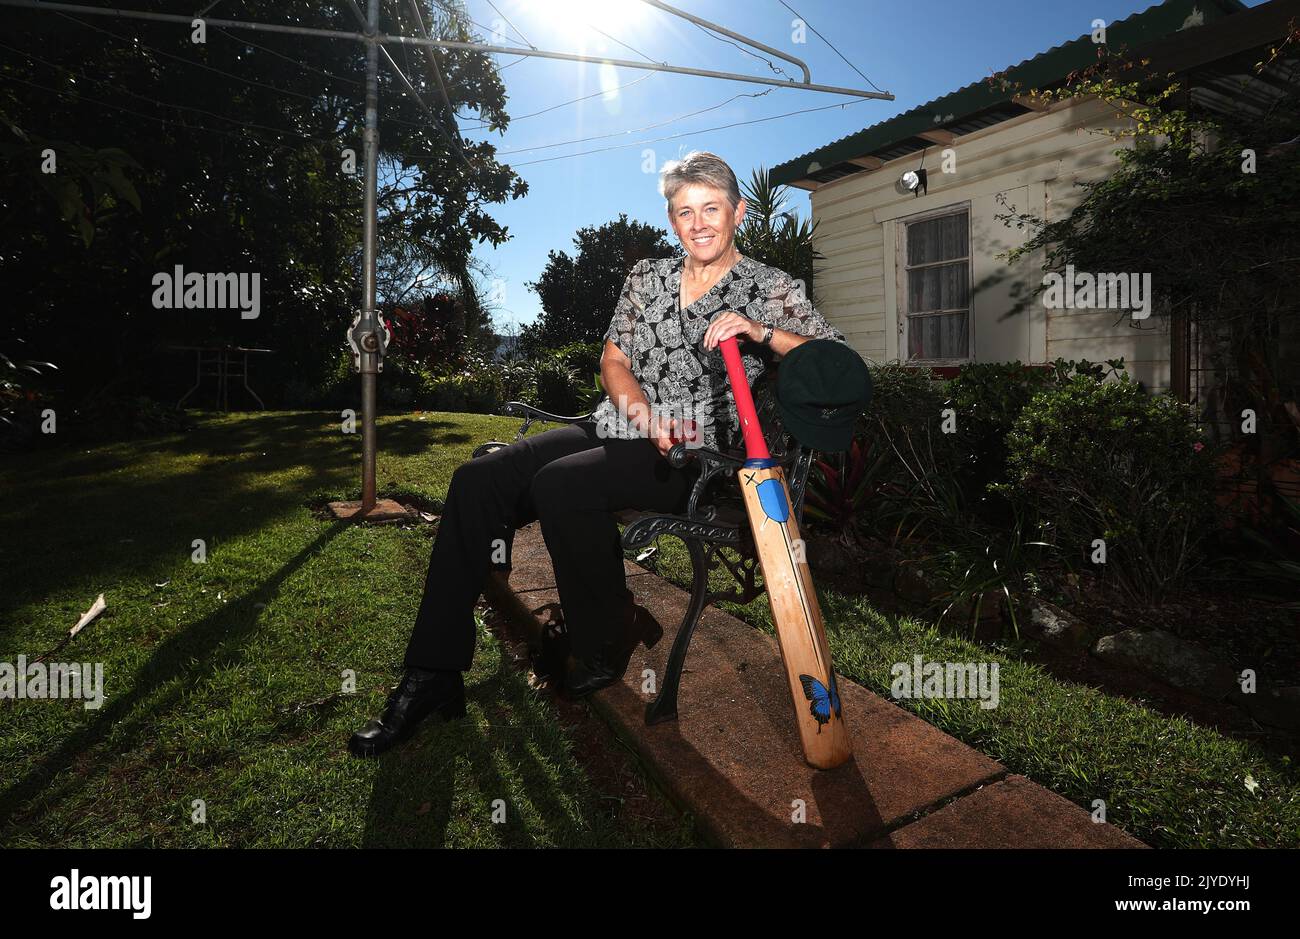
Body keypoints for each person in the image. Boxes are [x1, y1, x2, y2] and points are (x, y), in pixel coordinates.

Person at [349, 150, 846, 758]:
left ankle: (606, 630)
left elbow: (834, 364)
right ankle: (433, 674)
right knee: (480, 478)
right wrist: (641, 413)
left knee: (562, 485)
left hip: (691, 456)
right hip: (622, 424)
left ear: (738, 212)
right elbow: (613, 361)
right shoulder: (648, 279)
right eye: (685, 212)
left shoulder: (768, 287)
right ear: (672, 221)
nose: (699, 223)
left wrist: (759, 330)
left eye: (711, 208)